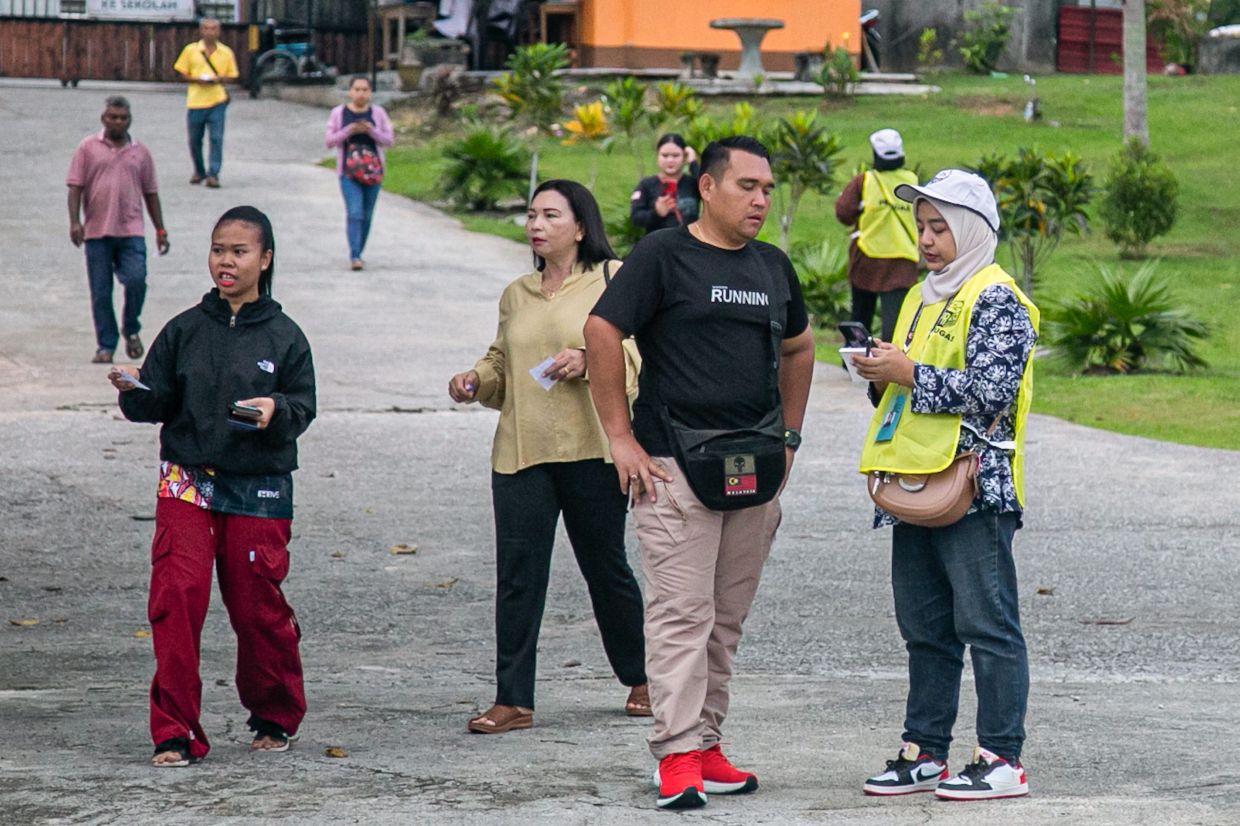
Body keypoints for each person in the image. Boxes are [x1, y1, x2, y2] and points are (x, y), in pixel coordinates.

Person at [585, 136, 815, 810]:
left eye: (767, 189)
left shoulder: (772, 266)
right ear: (707, 189)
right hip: (673, 468)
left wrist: (791, 437)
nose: (761, 200)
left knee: (724, 621)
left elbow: (800, 347)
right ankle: (677, 755)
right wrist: (621, 439)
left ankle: (707, 744)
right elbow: (602, 331)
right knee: (681, 616)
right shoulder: (663, 255)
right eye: (747, 186)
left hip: (754, 471)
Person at [850, 169, 1039, 801]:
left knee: (988, 626)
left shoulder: (997, 296)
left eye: (939, 228)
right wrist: (881, 370)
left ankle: (1001, 758)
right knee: (924, 628)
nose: (927, 240)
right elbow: (906, 384)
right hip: (912, 485)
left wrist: (910, 372)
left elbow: (993, 392)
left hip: (974, 490)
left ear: (972, 231)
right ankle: (924, 750)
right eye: (922, 227)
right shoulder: (921, 295)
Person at [109, 206, 316, 767]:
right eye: (219, 249)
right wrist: (132, 390)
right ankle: (175, 731)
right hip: (186, 482)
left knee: (257, 606)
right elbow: (154, 402)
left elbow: (304, 406)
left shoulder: (285, 335)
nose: (226, 261)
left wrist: (277, 408)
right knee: (176, 598)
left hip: (260, 487)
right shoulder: (184, 329)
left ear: (265, 259)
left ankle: (275, 713)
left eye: (240, 251)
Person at [448, 179, 651, 736]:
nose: (536, 225)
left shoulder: (612, 280)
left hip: (592, 449)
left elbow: (636, 353)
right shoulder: (517, 293)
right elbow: (500, 363)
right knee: (518, 577)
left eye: (550, 216)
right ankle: (512, 700)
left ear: (581, 227)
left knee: (605, 569)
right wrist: (475, 380)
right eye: (531, 215)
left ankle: (644, 678)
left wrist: (591, 359)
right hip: (522, 452)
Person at [67, 95, 170, 365]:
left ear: (129, 120)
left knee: (137, 280)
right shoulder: (88, 148)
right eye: (113, 117)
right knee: (101, 292)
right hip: (97, 232)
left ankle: (131, 327)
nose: (118, 122)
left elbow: (151, 193)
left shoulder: (140, 152)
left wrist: (160, 229)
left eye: (122, 118)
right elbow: (75, 187)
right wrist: (75, 221)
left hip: (131, 230)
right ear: (104, 119)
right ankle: (106, 344)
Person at [833, 128, 919, 343]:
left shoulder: (865, 181)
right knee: (896, 322)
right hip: (903, 260)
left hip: (867, 258)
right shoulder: (913, 181)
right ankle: (889, 367)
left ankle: (853, 362)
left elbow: (843, 213)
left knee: (860, 317)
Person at [325, 75, 395, 271]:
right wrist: (349, 130)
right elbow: (330, 140)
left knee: (367, 213)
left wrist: (371, 131)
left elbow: (389, 140)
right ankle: (355, 254)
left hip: (373, 171)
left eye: (365, 89)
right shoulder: (339, 113)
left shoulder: (378, 113)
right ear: (350, 91)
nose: (361, 93)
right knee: (354, 212)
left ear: (370, 92)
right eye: (357, 89)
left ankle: (359, 251)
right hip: (348, 171)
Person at [174, 18, 239, 188]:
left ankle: (214, 173)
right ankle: (199, 170)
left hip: (217, 100)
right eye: (206, 29)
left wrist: (219, 79)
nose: (210, 32)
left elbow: (233, 75)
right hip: (195, 101)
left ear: (219, 31)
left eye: (214, 29)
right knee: (195, 139)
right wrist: (195, 79)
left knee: (216, 138)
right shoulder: (191, 50)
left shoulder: (226, 52)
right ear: (201, 31)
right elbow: (181, 72)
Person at [629, 133, 700, 235]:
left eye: (676, 155)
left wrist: (693, 163)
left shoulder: (692, 183)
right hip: (657, 245)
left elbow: (711, 192)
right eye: (665, 155)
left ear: (684, 156)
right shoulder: (647, 185)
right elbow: (635, 218)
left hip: (690, 245)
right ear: (657, 156)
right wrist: (656, 213)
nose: (670, 160)